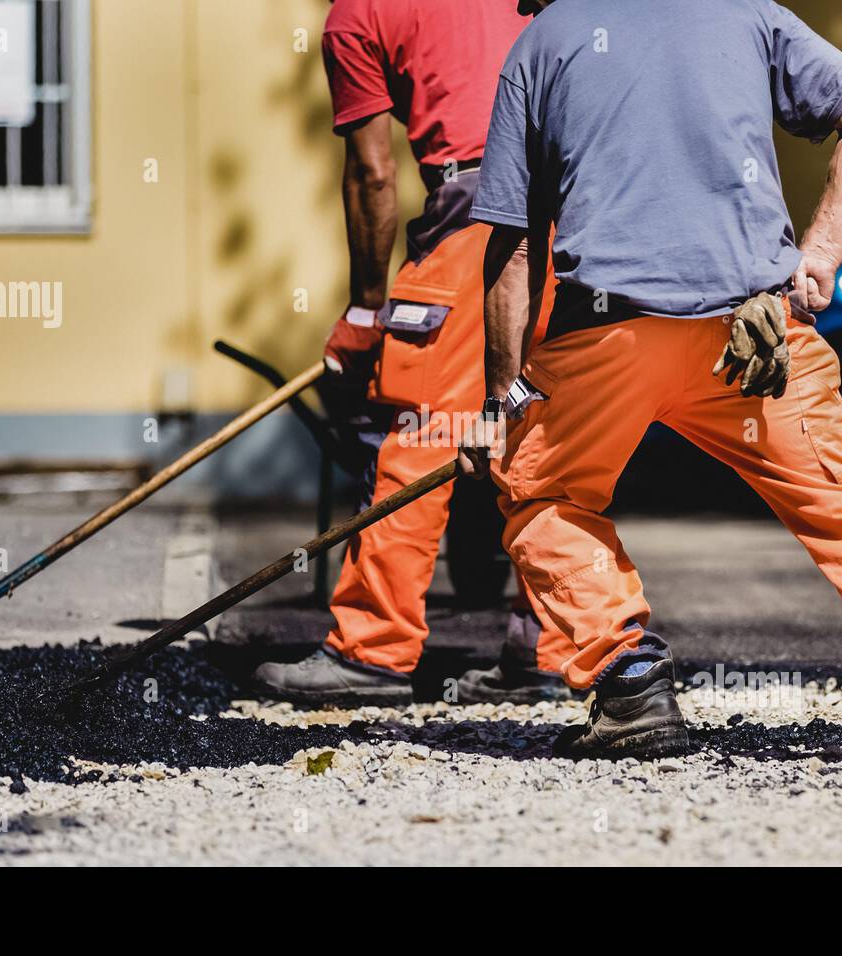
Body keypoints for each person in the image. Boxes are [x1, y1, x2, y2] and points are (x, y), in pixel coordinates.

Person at [460, 0, 842, 761]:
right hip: (757, 334)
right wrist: (816, 259)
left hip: (607, 336)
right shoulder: (747, 12)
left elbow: (514, 248)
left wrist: (499, 403)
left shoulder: (541, 42)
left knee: (542, 492)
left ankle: (629, 684)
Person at [252, 0, 573, 708]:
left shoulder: (355, 15)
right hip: (580, 204)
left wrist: (366, 312)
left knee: (419, 432)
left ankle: (372, 649)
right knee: (543, 430)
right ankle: (549, 646)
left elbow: (371, 175)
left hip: (480, 209)